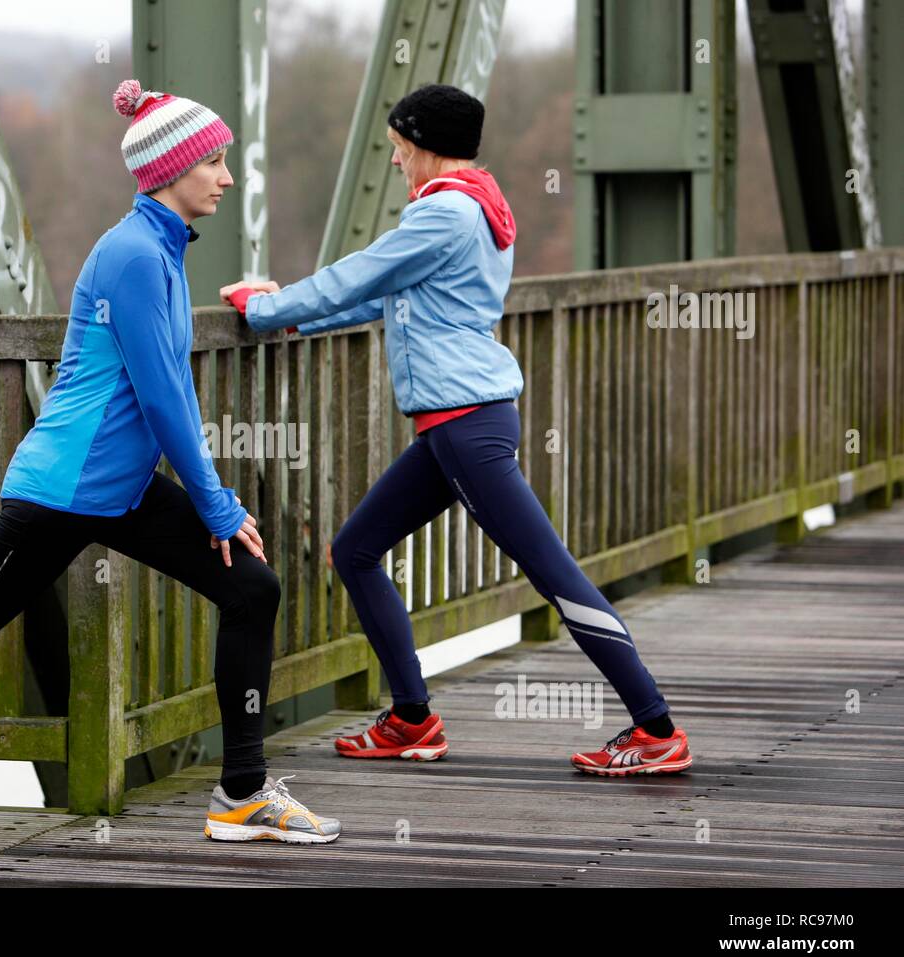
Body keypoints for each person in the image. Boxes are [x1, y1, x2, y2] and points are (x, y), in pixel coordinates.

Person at [0, 79, 342, 851]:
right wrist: (217, 505)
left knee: (251, 585)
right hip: (62, 492)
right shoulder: (134, 256)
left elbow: (165, 379)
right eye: (214, 162)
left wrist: (255, 309)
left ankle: (243, 793)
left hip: (113, 491)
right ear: (173, 170)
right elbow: (163, 401)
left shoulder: (159, 250)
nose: (226, 177)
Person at [221, 84, 691, 776]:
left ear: (421, 145)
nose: (393, 162)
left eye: (396, 148)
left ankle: (656, 729)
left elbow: (359, 274)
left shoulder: (443, 213)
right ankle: (412, 720)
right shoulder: (470, 205)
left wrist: (265, 309)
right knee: (354, 550)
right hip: (459, 426)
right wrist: (291, 316)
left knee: (554, 574)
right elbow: (388, 298)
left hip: (467, 427)